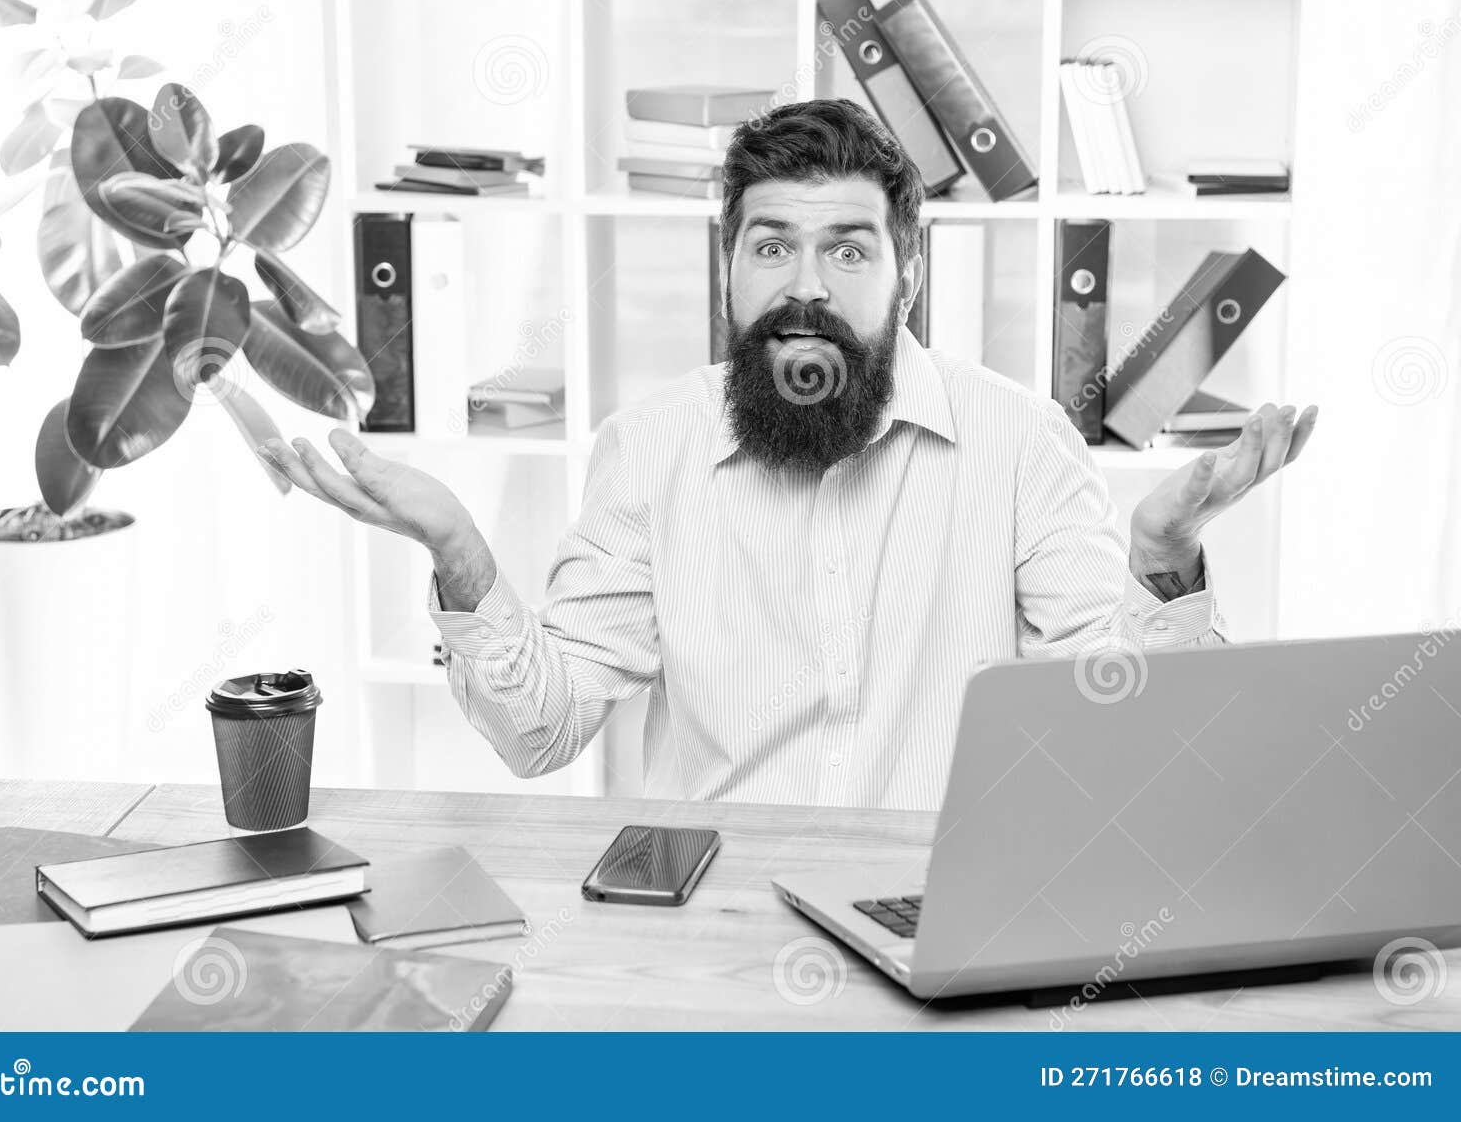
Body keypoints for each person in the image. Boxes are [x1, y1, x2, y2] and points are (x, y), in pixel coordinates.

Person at [259, 98, 1316, 810]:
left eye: (847, 250)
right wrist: (458, 549)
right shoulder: (649, 449)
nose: (804, 287)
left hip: (944, 908)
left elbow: (1126, 729)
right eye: (772, 246)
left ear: (906, 272)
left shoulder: (1017, 440)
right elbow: (540, 730)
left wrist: (1164, 557)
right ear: (728, 268)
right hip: (715, 922)